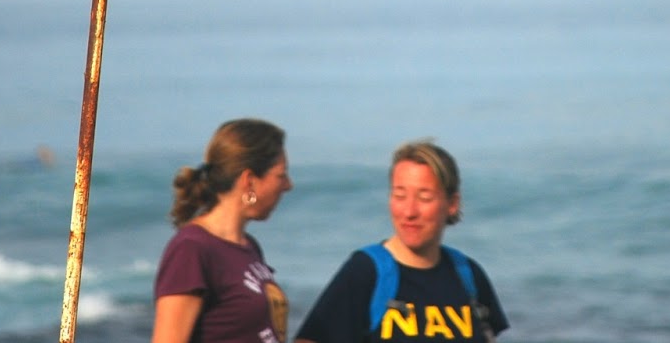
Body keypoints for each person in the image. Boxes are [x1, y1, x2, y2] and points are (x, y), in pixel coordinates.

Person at [296, 140, 508, 343]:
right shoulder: (366, 272)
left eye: (424, 197)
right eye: (399, 195)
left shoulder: (468, 275)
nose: (409, 212)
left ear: (452, 203)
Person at [152, 118, 294, 343]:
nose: (288, 185)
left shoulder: (248, 246)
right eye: (281, 175)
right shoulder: (192, 248)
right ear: (249, 180)